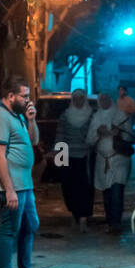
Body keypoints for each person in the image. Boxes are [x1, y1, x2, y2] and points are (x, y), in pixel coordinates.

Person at [0, 74, 47, 268]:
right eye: (24, 96)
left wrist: (31, 119)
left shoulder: (17, 115)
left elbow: (34, 141)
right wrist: (9, 190)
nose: (28, 100)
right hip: (12, 186)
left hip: (25, 184)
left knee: (30, 226)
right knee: (9, 229)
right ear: (10, 96)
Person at [86, 92, 133, 236]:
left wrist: (118, 132)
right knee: (107, 192)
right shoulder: (96, 117)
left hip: (119, 160)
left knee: (117, 190)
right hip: (103, 161)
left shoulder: (120, 115)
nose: (105, 101)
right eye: (102, 99)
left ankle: (116, 223)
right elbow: (89, 139)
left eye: (107, 98)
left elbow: (129, 135)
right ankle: (110, 221)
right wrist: (98, 133)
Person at [54, 90, 94, 231]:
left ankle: (83, 218)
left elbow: (93, 136)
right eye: (76, 98)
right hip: (68, 157)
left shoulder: (91, 115)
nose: (78, 101)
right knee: (69, 187)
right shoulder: (65, 116)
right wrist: (59, 157)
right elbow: (60, 135)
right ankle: (74, 215)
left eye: (81, 98)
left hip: (85, 157)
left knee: (85, 188)